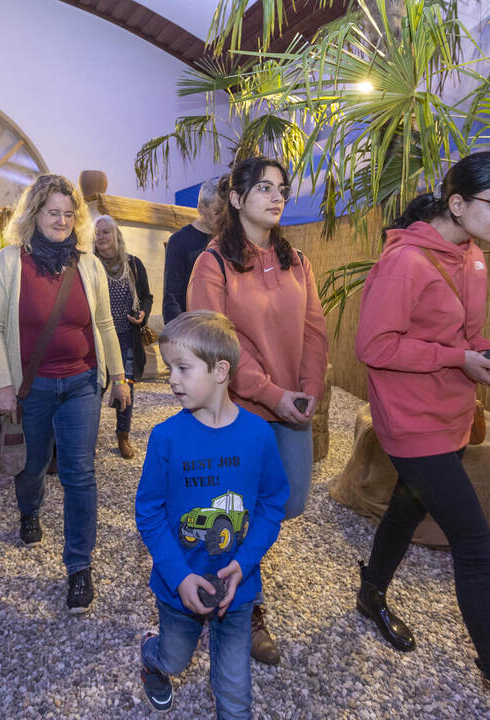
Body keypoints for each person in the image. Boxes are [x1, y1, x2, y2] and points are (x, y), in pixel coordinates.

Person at [355, 152, 490, 720]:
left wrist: (479, 356)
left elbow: (457, 333)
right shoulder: (406, 263)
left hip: (453, 412)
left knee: (404, 504)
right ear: (458, 203)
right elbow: (374, 347)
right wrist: (457, 356)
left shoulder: (471, 254)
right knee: (476, 545)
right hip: (412, 421)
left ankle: (370, 592)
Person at [187, 156, 328, 665]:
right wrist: (272, 394)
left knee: (288, 503)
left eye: (282, 188)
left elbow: (315, 330)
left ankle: (233, 578)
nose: (276, 196)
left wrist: (307, 390)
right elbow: (214, 345)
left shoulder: (298, 262)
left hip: (292, 404)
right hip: (236, 409)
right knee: (237, 514)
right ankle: (246, 607)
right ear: (237, 198)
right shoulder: (213, 263)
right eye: (264, 188)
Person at [0, 174, 129, 614]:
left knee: (80, 474)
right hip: (33, 388)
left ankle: (79, 568)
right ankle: (29, 510)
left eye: (69, 214)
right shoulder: (7, 263)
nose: (61, 221)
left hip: (82, 382)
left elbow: (103, 325)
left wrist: (118, 377)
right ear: (34, 214)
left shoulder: (89, 265)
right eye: (53, 212)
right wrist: (4, 386)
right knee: (32, 466)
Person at [136, 310, 289, 718]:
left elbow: (273, 503)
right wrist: (178, 574)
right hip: (177, 588)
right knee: (174, 659)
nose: (172, 379)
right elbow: (148, 511)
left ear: (221, 370)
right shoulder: (165, 438)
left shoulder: (258, 436)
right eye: (170, 367)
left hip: (238, 589)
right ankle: (151, 658)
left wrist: (244, 562)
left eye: (183, 368)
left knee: (236, 695)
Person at [93, 214, 153, 459]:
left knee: (125, 389)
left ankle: (123, 436)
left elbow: (147, 297)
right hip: (97, 341)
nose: (101, 236)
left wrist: (142, 314)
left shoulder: (134, 265)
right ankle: (87, 439)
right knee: (93, 390)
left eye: (106, 231)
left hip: (127, 338)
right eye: (97, 233)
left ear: (116, 235)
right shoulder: (89, 266)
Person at [162, 176, 223, 323]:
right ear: (201, 208)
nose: (224, 217)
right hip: (195, 330)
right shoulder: (179, 241)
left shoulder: (229, 239)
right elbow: (172, 299)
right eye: (218, 211)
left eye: (227, 212)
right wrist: (181, 338)